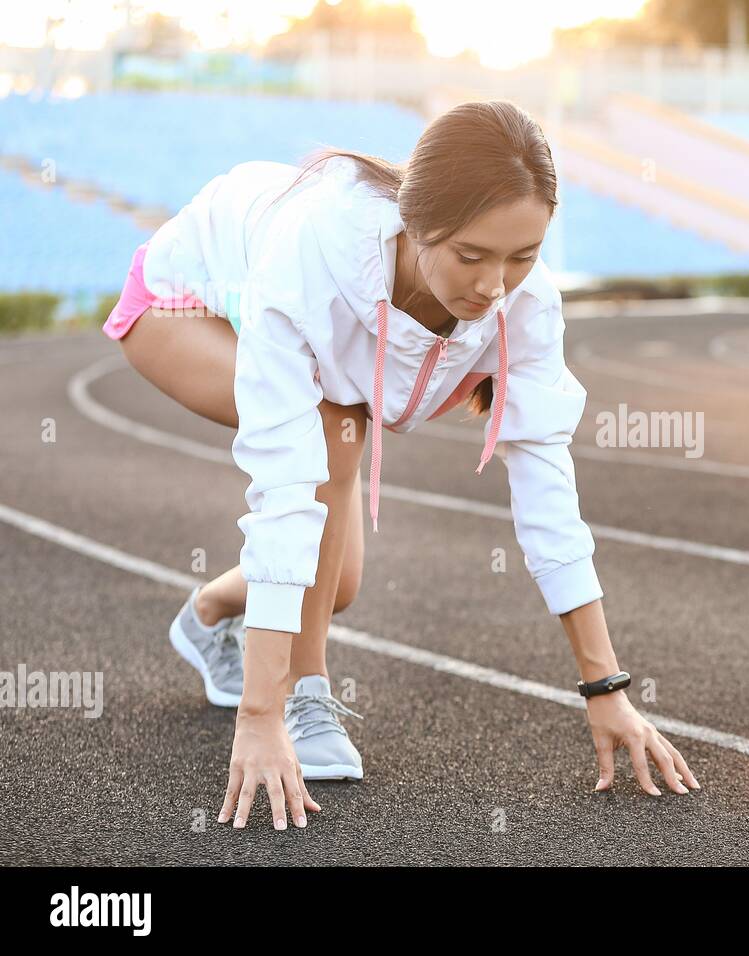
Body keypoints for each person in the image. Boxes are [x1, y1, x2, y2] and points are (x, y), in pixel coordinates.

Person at [104, 99, 701, 832]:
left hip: (278, 316)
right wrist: (262, 716)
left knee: (339, 585)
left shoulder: (524, 305)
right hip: (182, 304)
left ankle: (209, 616)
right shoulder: (316, 253)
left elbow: (548, 490)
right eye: (472, 256)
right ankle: (307, 693)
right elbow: (287, 487)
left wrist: (605, 687)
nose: (494, 287)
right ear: (416, 226)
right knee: (333, 426)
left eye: (524, 256)